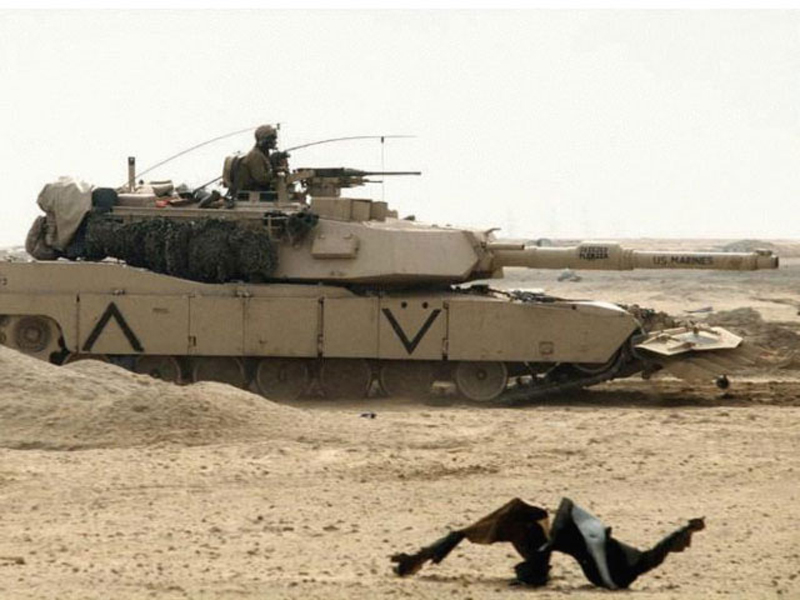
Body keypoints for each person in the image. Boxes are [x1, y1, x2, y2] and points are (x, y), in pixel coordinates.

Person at [391, 497, 705, 589]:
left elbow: (657, 554)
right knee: (509, 516)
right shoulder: (621, 564)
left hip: (547, 551)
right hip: (549, 547)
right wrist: (685, 530)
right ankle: (420, 556)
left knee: (511, 517)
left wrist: (684, 531)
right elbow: (658, 553)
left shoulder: (620, 568)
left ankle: (419, 557)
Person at [234, 124, 288, 193]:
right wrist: (275, 172)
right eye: (272, 139)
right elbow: (261, 179)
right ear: (266, 140)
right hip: (254, 193)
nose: (275, 142)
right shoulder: (255, 155)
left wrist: (278, 169)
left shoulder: (263, 154)